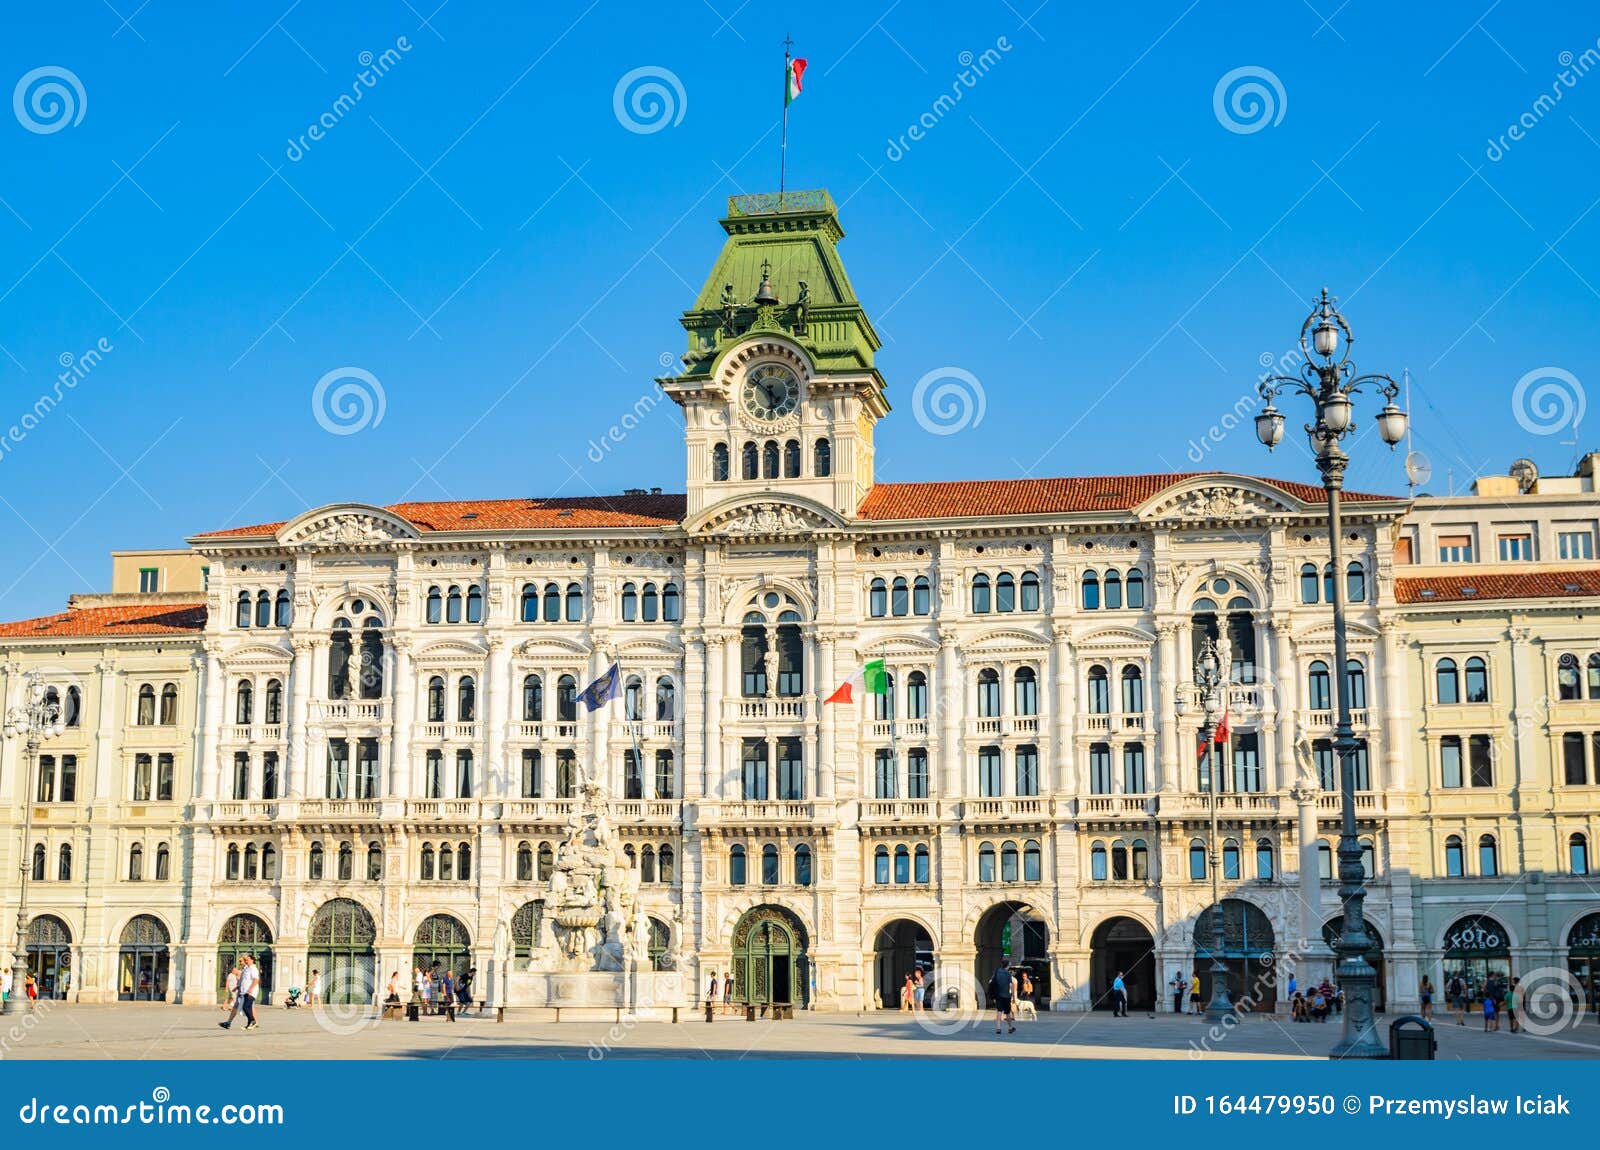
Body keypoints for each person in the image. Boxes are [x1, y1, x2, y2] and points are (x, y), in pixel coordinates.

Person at [221, 955, 259, 1031]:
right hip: (243, 991)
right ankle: (250, 1023)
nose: (241, 962)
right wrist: (238, 987)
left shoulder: (253, 969)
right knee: (246, 1007)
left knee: (246, 1007)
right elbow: (244, 981)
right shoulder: (246, 969)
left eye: (242, 960)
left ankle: (253, 1022)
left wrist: (250, 989)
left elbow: (256, 980)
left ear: (252, 960)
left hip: (250, 992)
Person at [990, 958, 1016, 1035]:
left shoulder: (997, 971)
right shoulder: (1008, 974)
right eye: (1009, 965)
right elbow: (1011, 985)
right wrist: (1013, 997)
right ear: (1007, 965)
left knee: (999, 1011)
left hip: (998, 995)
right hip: (1006, 996)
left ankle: (998, 1028)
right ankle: (1010, 1028)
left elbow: (991, 981)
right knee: (1007, 1012)